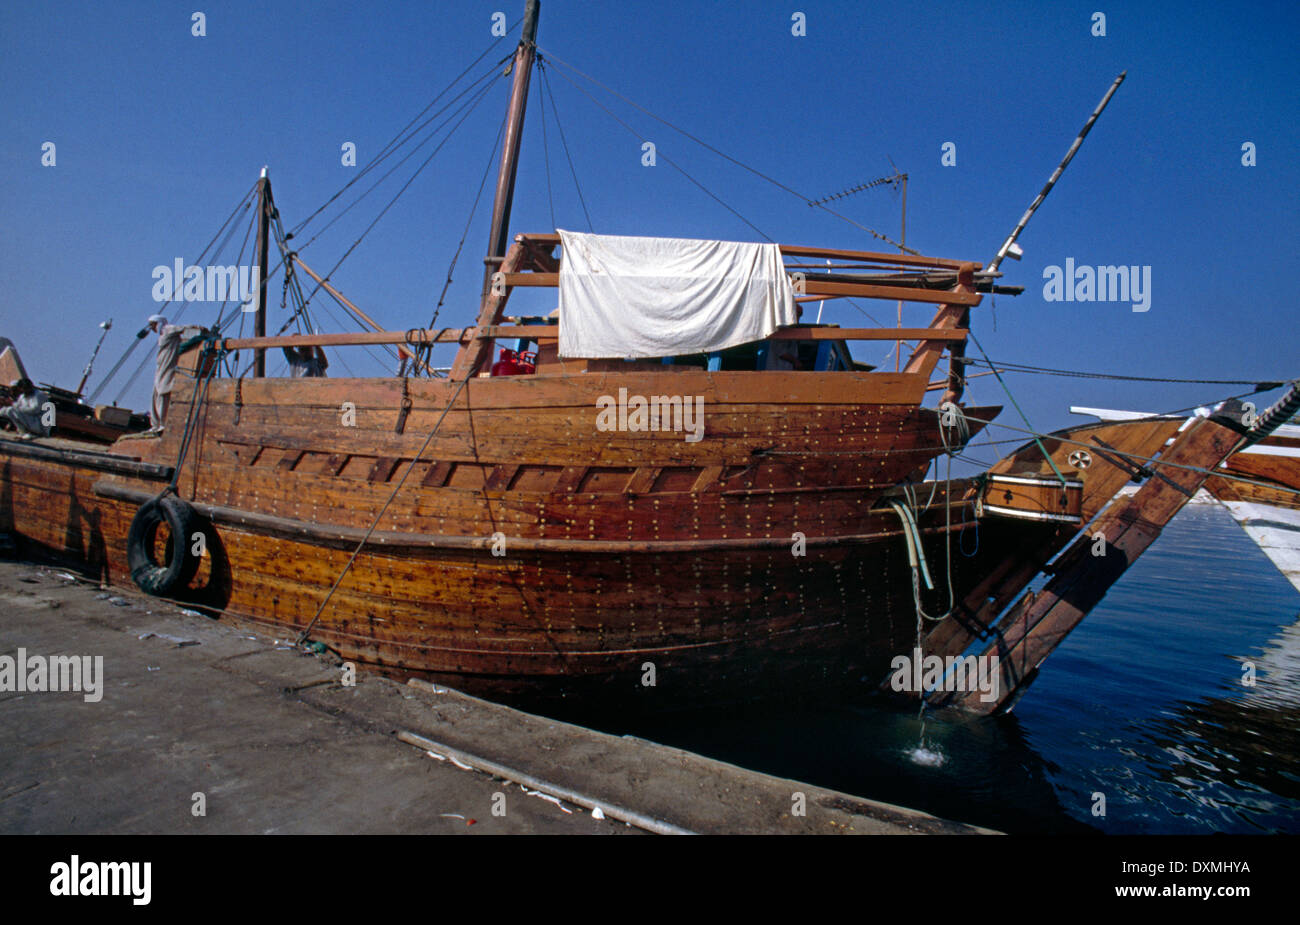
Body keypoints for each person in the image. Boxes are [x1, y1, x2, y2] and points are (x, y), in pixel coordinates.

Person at [146, 314, 185, 431]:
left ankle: (162, 423)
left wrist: (197, 327)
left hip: (168, 367)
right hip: (161, 368)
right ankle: (155, 423)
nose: (152, 328)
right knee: (156, 394)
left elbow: (184, 328)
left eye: (154, 325)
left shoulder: (168, 330)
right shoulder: (162, 335)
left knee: (163, 392)